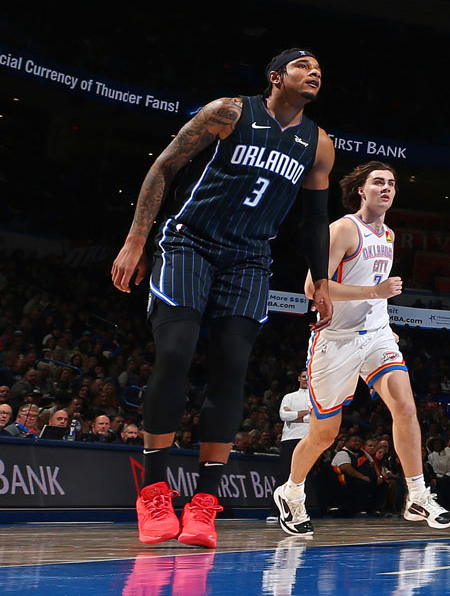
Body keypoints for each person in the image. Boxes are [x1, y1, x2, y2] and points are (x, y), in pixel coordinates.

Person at [109, 48, 341, 550]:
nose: (315, 73)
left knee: (232, 367)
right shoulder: (228, 112)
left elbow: (315, 218)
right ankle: (153, 492)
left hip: (249, 258)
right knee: (175, 353)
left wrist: (321, 279)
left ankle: (204, 503)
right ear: (276, 76)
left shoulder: (319, 144)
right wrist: (136, 239)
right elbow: (164, 167)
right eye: (304, 66)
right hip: (190, 242)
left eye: (319, 70)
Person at [271, 161, 450, 537]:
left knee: (405, 407)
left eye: (392, 183)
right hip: (335, 342)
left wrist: (384, 322)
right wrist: (375, 292)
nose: (386, 188)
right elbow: (311, 287)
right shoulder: (343, 229)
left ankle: (417, 494)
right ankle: (291, 492)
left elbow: (375, 293)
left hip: (376, 336)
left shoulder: (388, 234)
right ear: (361, 189)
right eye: (378, 182)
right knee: (324, 435)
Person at [278, 372, 312, 470]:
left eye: (309, 376)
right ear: (299, 378)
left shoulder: (316, 399)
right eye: (304, 376)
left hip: (308, 439)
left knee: (306, 472)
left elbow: (315, 418)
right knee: (286, 470)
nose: (306, 379)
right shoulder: (289, 397)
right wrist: (307, 412)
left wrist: (293, 415)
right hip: (289, 438)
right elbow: (283, 415)